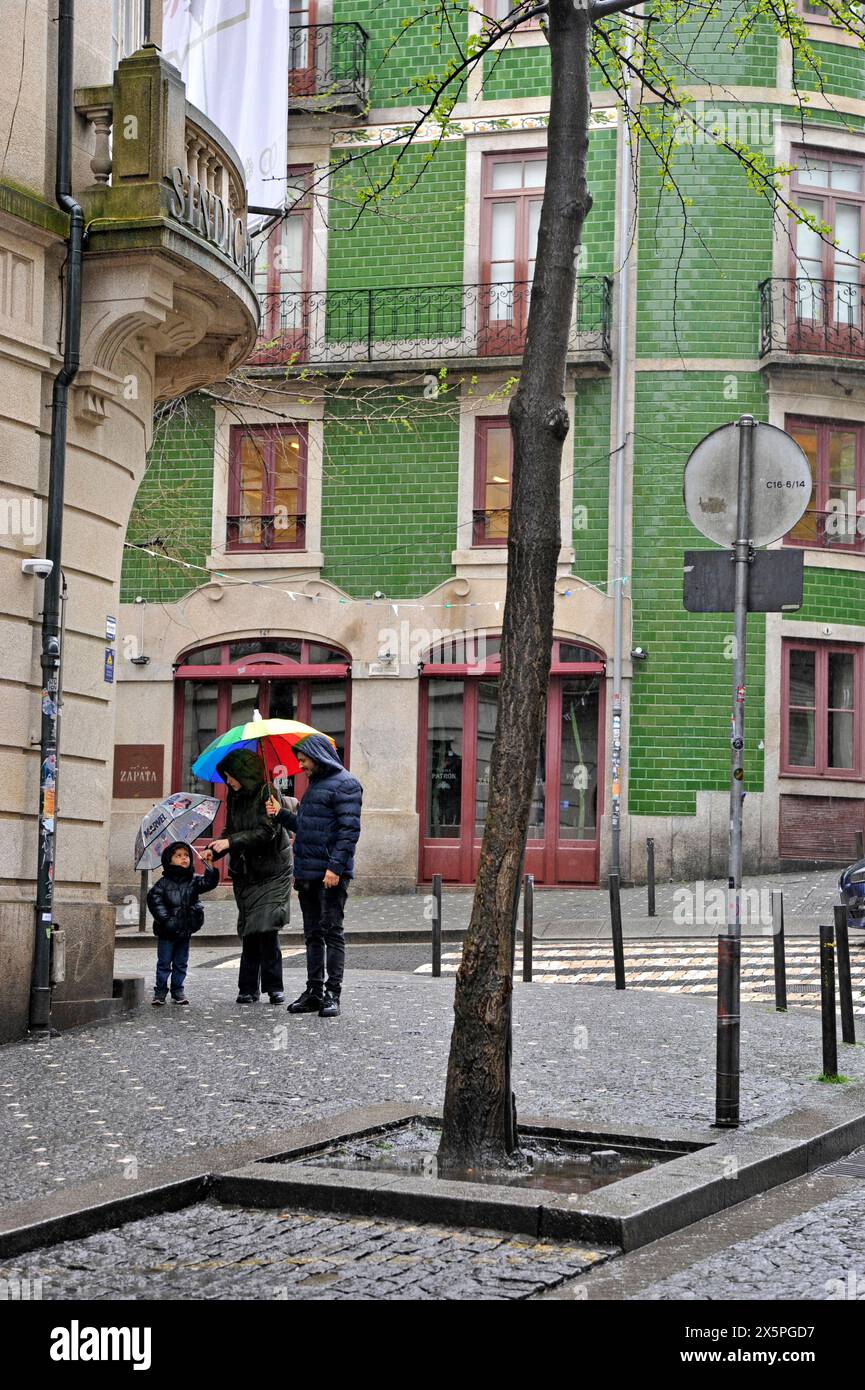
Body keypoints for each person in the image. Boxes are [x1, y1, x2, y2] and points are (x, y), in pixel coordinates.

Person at [267, 734, 362, 1019]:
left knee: (332, 933)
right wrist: (280, 814)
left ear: (317, 756)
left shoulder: (347, 784)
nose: (300, 765)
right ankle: (314, 992)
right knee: (312, 936)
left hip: (329, 874)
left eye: (304, 760)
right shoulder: (315, 786)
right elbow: (307, 828)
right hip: (307, 873)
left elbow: (349, 832)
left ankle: (333, 993)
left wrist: (335, 868)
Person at [204, 749, 293, 1005]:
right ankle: (247, 988)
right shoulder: (235, 797)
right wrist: (216, 848)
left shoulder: (268, 793)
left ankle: (274, 986)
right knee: (250, 930)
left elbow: (267, 832)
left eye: (231, 776)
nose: (228, 782)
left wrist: (230, 842)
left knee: (267, 927)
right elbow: (231, 829)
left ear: (244, 774)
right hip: (247, 873)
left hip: (273, 871)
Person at [146, 841, 218, 1006]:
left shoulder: (192, 880)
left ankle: (178, 990)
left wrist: (209, 867)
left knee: (181, 962)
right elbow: (154, 901)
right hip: (167, 931)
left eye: (186, 855)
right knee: (164, 962)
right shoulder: (162, 884)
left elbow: (208, 883)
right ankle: (160, 991)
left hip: (184, 929)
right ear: (169, 860)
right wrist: (167, 920)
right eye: (178, 856)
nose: (184, 858)